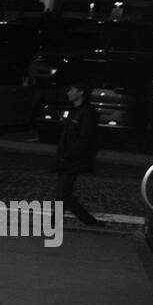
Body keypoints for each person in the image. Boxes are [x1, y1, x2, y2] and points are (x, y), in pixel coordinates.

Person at [54, 77, 101, 227]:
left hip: (74, 159)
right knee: (62, 192)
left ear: (80, 93)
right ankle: (55, 222)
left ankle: (89, 221)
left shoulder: (86, 113)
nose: (68, 93)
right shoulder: (74, 111)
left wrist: (68, 155)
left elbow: (84, 139)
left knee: (63, 193)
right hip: (67, 158)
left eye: (72, 90)